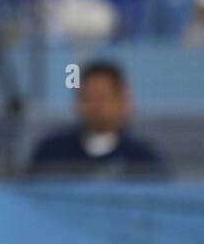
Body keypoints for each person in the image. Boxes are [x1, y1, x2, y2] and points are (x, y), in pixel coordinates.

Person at [29, 61, 166, 176]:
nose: (95, 106)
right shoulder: (52, 153)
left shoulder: (143, 160)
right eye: (87, 98)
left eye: (102, 98)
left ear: (122, 101)